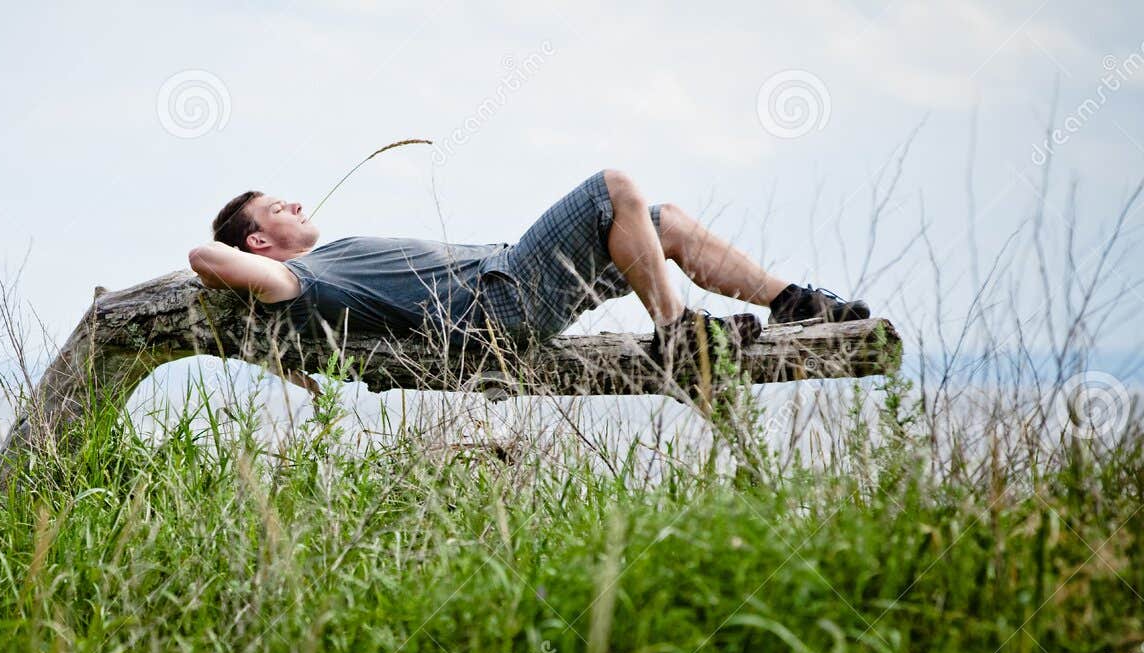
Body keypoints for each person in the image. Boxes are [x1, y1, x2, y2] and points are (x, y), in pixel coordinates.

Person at [188, 169, 870, 378]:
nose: (298, 204)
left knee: (662, 221)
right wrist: (249, 267)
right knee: (613, 187)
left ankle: (795, 301)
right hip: (504, 297)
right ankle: (677, 334)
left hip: (512, 284)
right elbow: (203, 259)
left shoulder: (315, 268)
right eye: (279, 208)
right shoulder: (297, 281)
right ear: (257, 241)